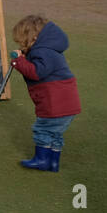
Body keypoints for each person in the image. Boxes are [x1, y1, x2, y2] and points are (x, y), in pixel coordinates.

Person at [11, 15, 80, 171]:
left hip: (55, 103)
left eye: (22, 41)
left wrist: (18, 62)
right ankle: (53, 163)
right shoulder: (50, 49)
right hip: (66, 103)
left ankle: (41, 159)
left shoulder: (43, 51)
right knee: (55, 133)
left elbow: (36, 72)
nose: (22, 45)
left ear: (33, 37)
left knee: (43, 129)